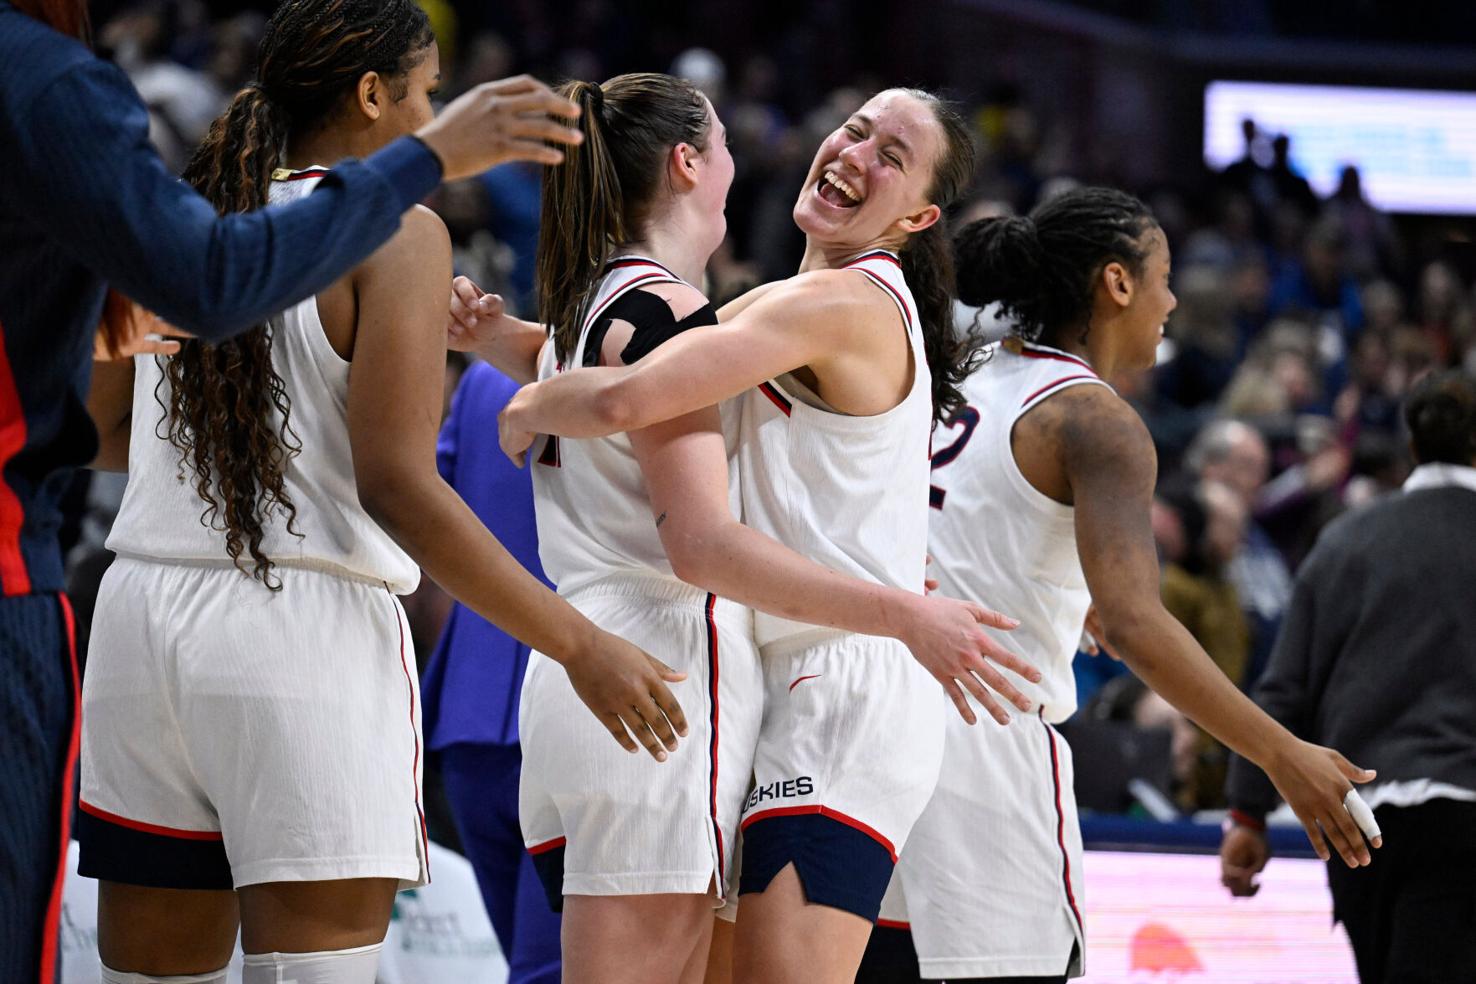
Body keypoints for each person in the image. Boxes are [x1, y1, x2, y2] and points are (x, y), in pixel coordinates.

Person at [75, 6, 683, 983]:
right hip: (299, 633)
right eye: (426, 90)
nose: (434, 110)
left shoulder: (182, 212)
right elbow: (397, 484)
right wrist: (577, 642)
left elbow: (101, 429)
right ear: (370, 96)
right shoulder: (397, 230)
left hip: (142, 618)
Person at [465, 87, 1033, 984]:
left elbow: (626, 392)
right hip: (768, 667)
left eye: (891, 154)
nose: (856, 153)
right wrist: (517, 344)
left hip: (849, 668)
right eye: (853, 129)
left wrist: (534, 394)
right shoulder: (780, 302)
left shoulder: (843, 303)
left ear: (921, 214)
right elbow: (649, 352)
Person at [855, 188, 1381, 984]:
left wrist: (1067, 588)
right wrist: (1283, 755)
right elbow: (1137, 627)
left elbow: (967, 524)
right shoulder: (1091, 418)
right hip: (981, 757)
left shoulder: (957, 380)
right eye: (1163, 276)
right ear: (1117, 283)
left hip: (871, 743)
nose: (1170, 300)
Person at [1221, 370, 1476, 984]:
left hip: (1364, 822)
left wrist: (1248, 816)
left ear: (1411, 448)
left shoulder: (1344, 541)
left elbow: (1285, 688)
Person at [420, 361, 562, 984]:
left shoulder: (478, 383)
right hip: (579, 708)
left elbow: (425, 521)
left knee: (531, 965)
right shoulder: (639, 362)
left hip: (469, 717)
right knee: (548, 969)